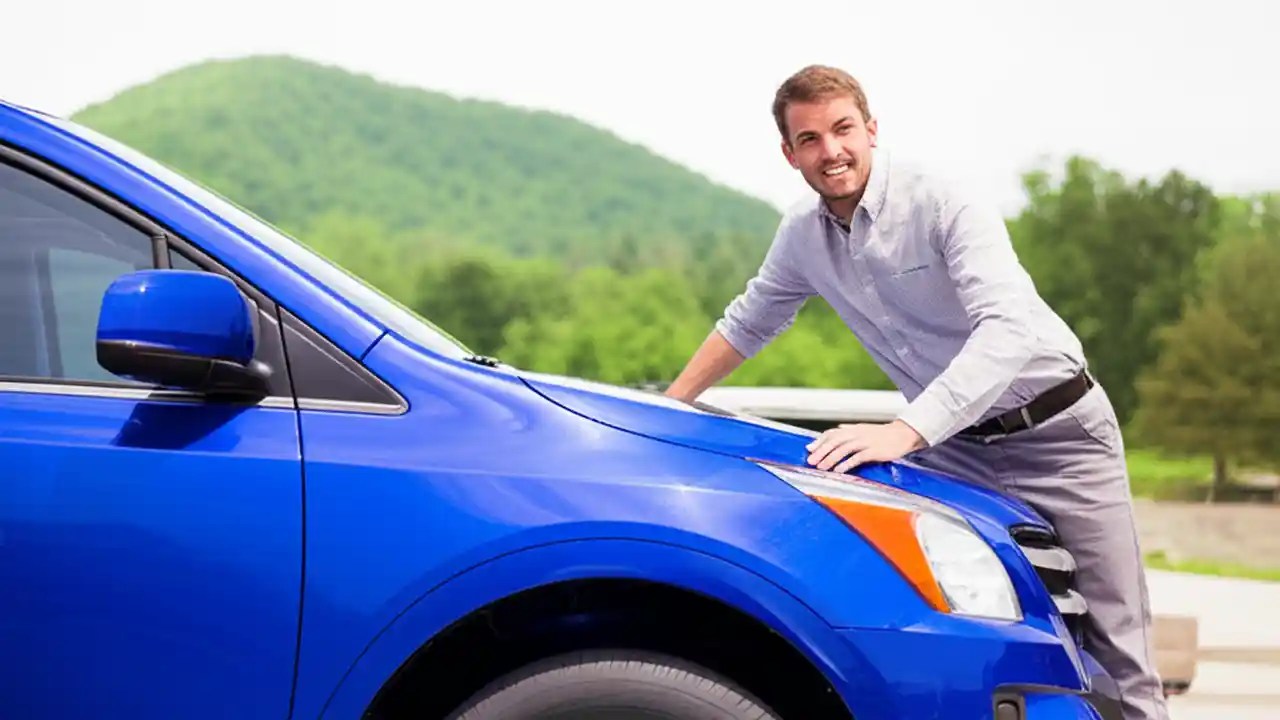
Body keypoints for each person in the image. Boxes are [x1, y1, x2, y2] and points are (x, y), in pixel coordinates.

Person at [663, 64, 1168, 720]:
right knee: (968, 630)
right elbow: (751, 319)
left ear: (872, 129)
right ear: (790, 154)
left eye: (843, 129)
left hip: (1060, 436)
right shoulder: (803, 237)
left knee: (1116, 646)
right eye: (810, 139)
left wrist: (906, 431)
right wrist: (669, 407)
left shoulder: (943, 202)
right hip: (957, 449)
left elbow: (1008, 327)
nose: (831, 150)